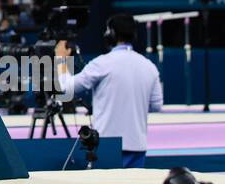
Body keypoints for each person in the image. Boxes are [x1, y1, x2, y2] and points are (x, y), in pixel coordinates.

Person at [55, 14, 163, 168]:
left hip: (107, 145)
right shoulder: (149, 66)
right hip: (137, 145)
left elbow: (66, 88)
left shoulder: (102, 64)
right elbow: (157, 105)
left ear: (110, 34)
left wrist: (61, 59)